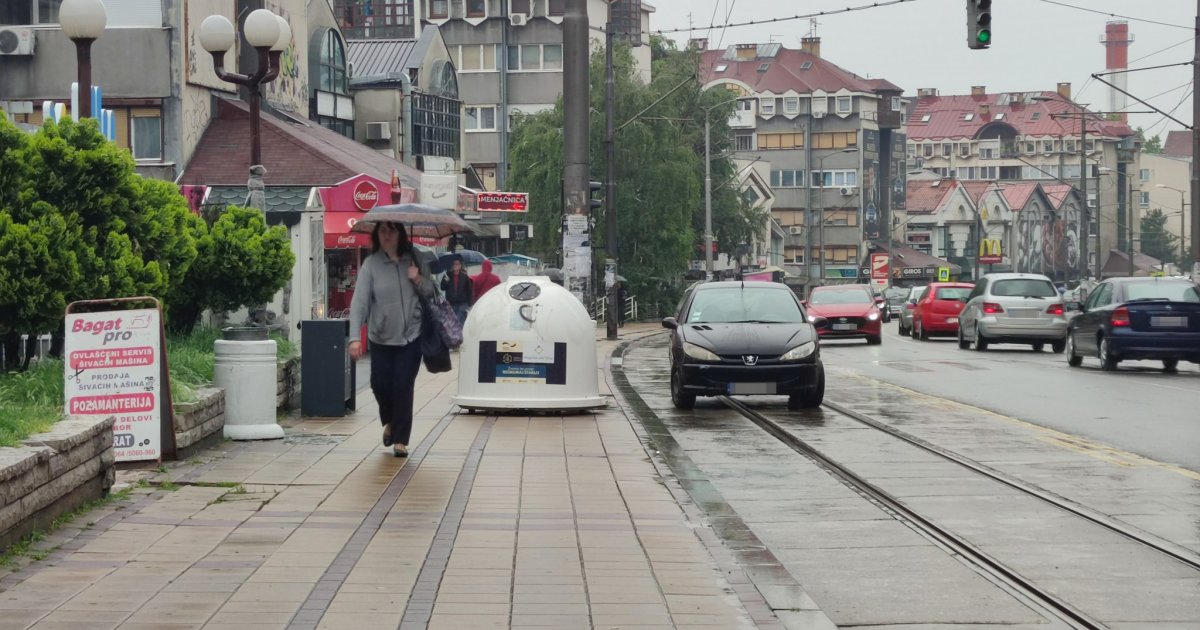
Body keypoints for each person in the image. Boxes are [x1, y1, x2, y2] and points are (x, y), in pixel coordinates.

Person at [348, 221, 434, 458]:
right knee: (380, 384)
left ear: (400, 234)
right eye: (382, 230)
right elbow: (359, 303)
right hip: (381, 338)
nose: (387, 235)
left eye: (392, 230)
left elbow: (432, 291)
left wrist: (418, 279)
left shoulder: (415, 259)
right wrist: (354, 338)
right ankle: (391, 422)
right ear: (377, 234)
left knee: (403, 385)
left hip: (411, 337)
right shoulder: (371, 265)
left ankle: (401, 441)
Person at [441, 257, 474, 330]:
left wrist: (470, 304)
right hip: (451, 303)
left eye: (457, 264)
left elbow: (469, 290)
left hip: (462, 303)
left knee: (461, 322)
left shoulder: (464, 276)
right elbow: (442, 287)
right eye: (454, 264)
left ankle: (461, 335)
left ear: (460, 266)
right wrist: (446, 281)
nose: (455, 265)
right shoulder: (447, 275)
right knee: (453, 323)